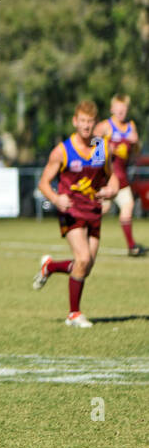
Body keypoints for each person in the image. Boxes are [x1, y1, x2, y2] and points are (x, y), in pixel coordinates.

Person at [32, 100, 119, 327]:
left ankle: (49, 267)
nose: (86, 126)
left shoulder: (101, 147)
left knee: (86, 266)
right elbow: (43, 183)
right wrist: (55, 198)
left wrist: (112, 190)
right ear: (75, 121)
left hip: (94, 210)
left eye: (90, 122)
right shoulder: (63, 151)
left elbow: (113, 176)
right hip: (71, 211)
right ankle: (74, 314)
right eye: (82, 121)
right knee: (82, 259)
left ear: (95, 123)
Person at [96, 94, 142, 256]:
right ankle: (80, 232)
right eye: (118, 108)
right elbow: (92, 147)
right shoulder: (104, 126)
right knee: (101, 208)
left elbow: (136, 152)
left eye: (124, 109)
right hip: (107, 177)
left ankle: (131, 246)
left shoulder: (131, 127)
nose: (121, 111)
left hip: (122, 178)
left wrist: (136, 143)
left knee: (127, 206)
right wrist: (105, 149)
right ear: (112, 109)